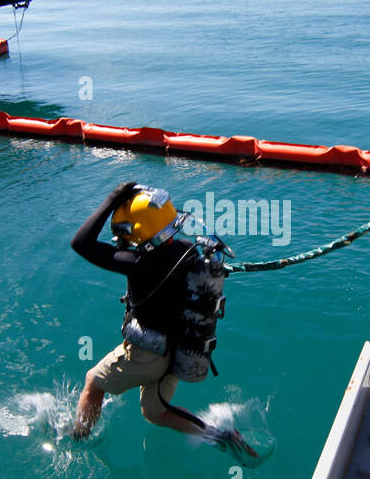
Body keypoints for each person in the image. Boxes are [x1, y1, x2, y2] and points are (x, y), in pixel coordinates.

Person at [70, 181, 258, 459]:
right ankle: (223, 436)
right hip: (177, 350)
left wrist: (112, 198)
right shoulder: (186, 249)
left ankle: (77, 440)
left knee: (93, 382)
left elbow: (81, 243)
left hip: (146, 354)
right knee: (155, 413)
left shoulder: (137, 264)